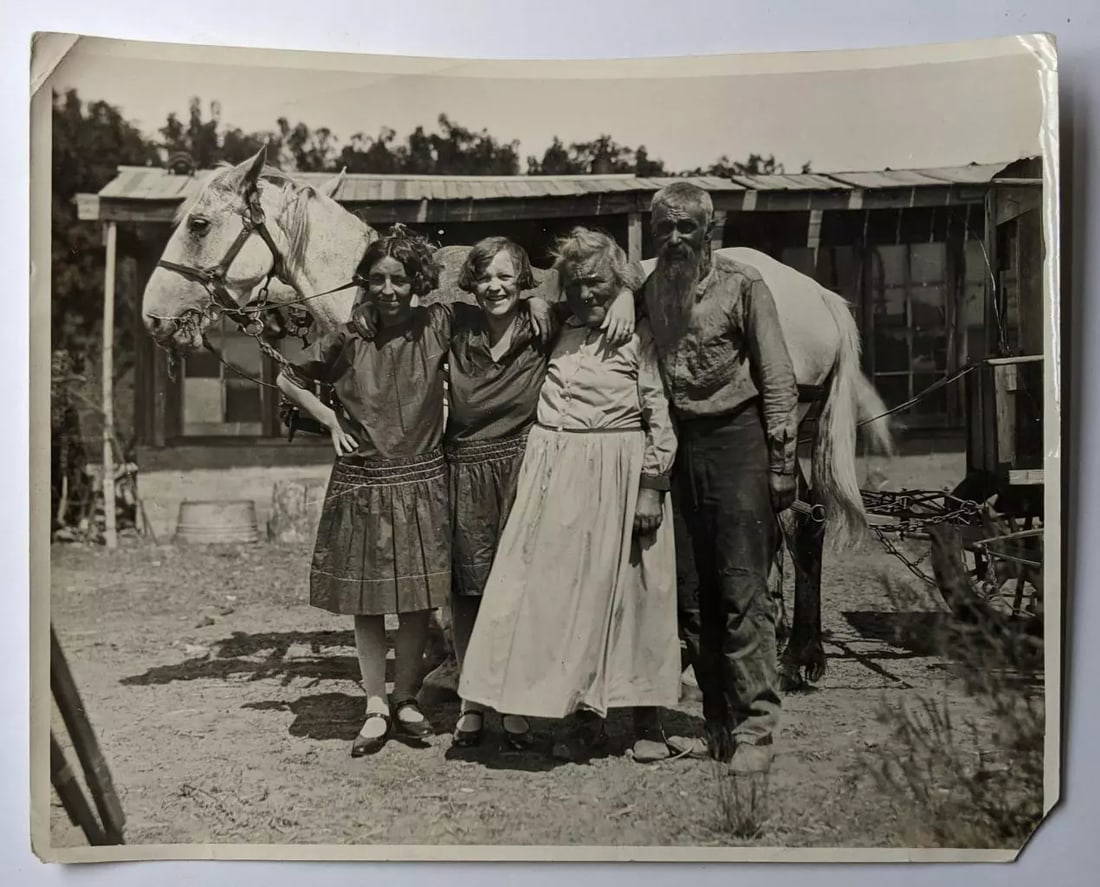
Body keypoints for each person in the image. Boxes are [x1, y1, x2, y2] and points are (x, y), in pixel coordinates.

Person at [352, 236, 637, 750]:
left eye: (507, 276)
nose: (495, 286)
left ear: (524, 279)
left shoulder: (543, 321)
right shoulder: (454, 323)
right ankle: (473, 702)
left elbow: (595, 288)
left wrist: (627, 297)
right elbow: (396, 305)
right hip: (462, 465)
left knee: (522, 585)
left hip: (528, 463)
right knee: (468, 589)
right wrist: (362, 304)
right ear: (470, 283)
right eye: (484, 276)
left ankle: (512, 704)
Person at [457, 227, 680, 764]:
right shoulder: (558, 326)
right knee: (565, 596)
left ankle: (646, 721)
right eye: (579, 286)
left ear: (622, 283)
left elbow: (660, 419)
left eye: (601, 284)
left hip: (620, 471)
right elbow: (521, 298)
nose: (590, 295)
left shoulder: (639, 336)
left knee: (634, 594)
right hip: (555, 473)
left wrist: (651, 486)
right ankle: (577, 716)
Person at [275, 226, 454, 758]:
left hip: (421, 478)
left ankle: (407, 697)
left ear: (418, 281)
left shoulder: (439, 324)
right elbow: (288, 377)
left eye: (399, 278)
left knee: (418, 598)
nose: (389, 289)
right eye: (377, 279)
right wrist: (329, 418)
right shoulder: (347, 336)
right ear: (365, 284)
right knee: (367, 599)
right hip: (363, 481)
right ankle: (375, 703)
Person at [642, 182, 799, 774]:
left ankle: (757, 724)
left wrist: (781, 466)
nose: (675, 238)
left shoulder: (743, 285)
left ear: (710, 229)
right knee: (690, 592)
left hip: (738, 440)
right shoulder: (648, 287)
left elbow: (778, 378)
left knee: (741, 587)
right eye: (665, 228)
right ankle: (714, 719)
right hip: (678, 444)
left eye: (687, 227)